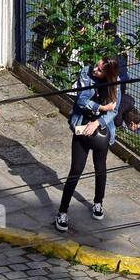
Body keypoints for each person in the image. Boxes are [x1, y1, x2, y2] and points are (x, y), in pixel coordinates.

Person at [54, 58, 120, 231]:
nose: (94, 70)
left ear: (108, 74)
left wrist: (98, 122)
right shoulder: (85, 73)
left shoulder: (116, 83)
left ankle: (98, 202)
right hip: (82, 124)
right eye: (96, 66)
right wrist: (102, 108)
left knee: (101, 167)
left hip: (100, 129)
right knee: (76, 169)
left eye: (99, 70)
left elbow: (116, 110)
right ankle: (62, 211)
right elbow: (81, 102)